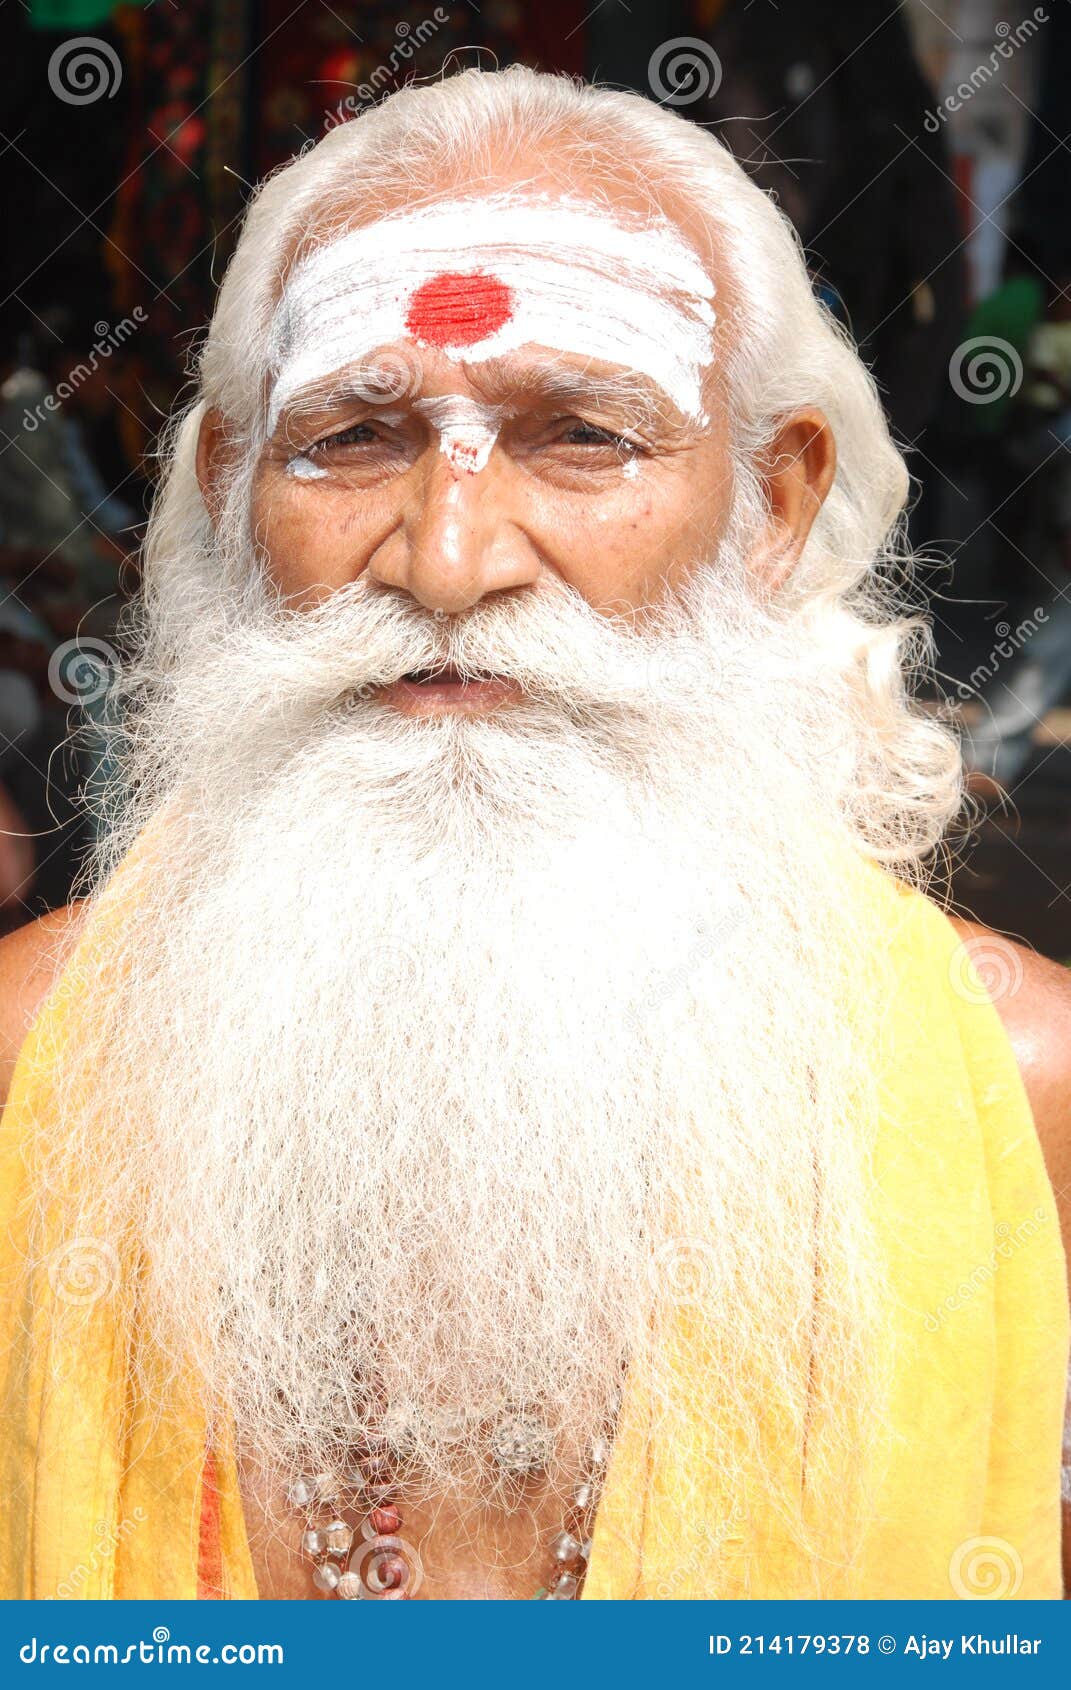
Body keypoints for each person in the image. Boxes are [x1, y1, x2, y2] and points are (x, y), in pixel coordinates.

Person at [0, 66, 1069, 1603]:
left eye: (581, 434)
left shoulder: (1027, 1093)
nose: (447, 559)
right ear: (234, 496)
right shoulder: (34, 1054)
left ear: (770, 508)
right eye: (357, 435)